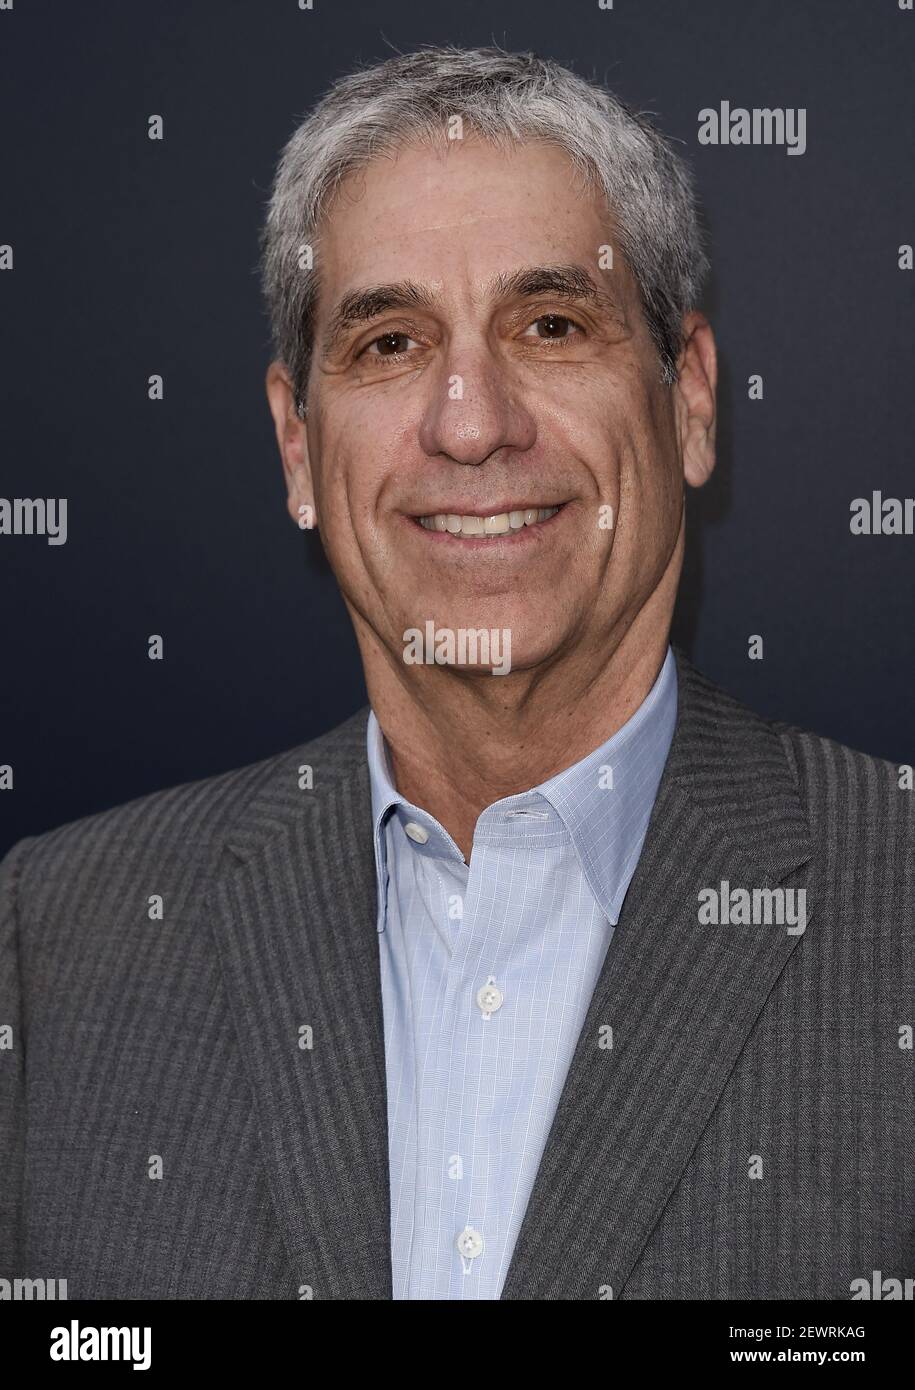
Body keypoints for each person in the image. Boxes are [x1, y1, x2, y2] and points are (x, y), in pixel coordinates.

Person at [1, 45, 911, 1301]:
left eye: (550, 324)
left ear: (690, 398)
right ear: (298, 448)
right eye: (387, 343)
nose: (472, 420)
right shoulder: (49, 948)